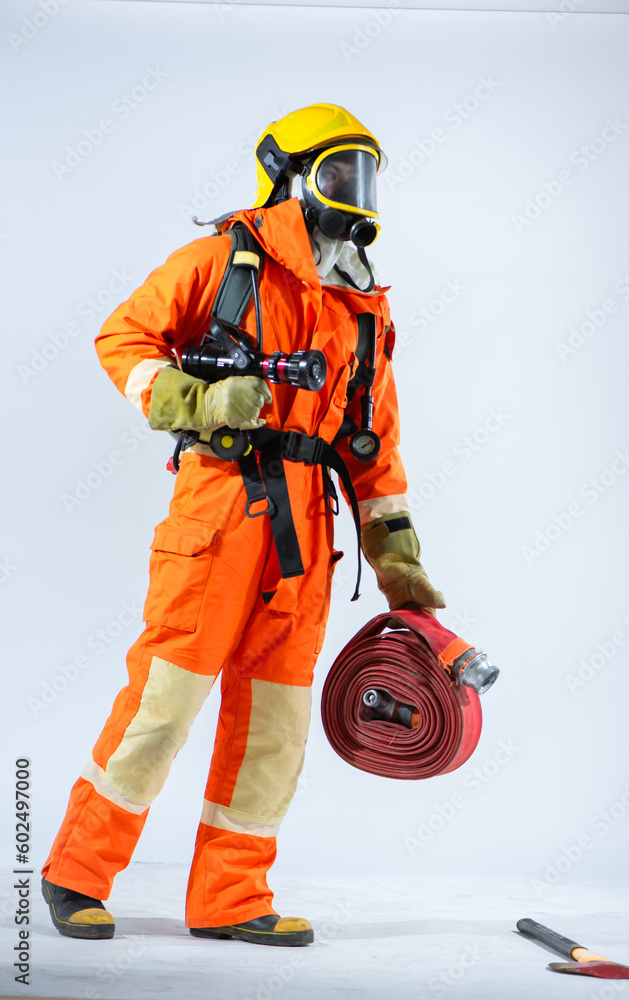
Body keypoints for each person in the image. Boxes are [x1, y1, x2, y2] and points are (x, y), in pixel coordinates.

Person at [41, 103, 444, 947]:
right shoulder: (221, 263)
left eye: (365, 175)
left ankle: (231, 900)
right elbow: (122, 339)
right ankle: (74, 873)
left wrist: (398, 557)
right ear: (291, 177)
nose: (355, 194)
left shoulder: (361, 306)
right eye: (338, 173)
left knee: (274, 730)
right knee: (163, 708)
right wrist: (194, 398)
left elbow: (375, 445)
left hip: (307, 537)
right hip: (218, 511)